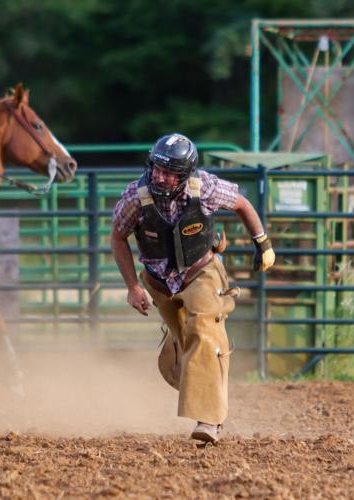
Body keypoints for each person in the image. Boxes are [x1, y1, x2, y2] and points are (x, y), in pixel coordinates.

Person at [110, 133, 275, 443]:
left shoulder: (206, 187)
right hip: (159, 282)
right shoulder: (136, 196)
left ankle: (208, 422)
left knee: (203, 332)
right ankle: (201, 381)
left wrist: (262, 243)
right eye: (157, 168)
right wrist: (132, 286)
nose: (161, 176)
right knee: (185, 347)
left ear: (184, 173)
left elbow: (241, 203)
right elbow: (117, 236)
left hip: (202, 271)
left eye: (170, 171)